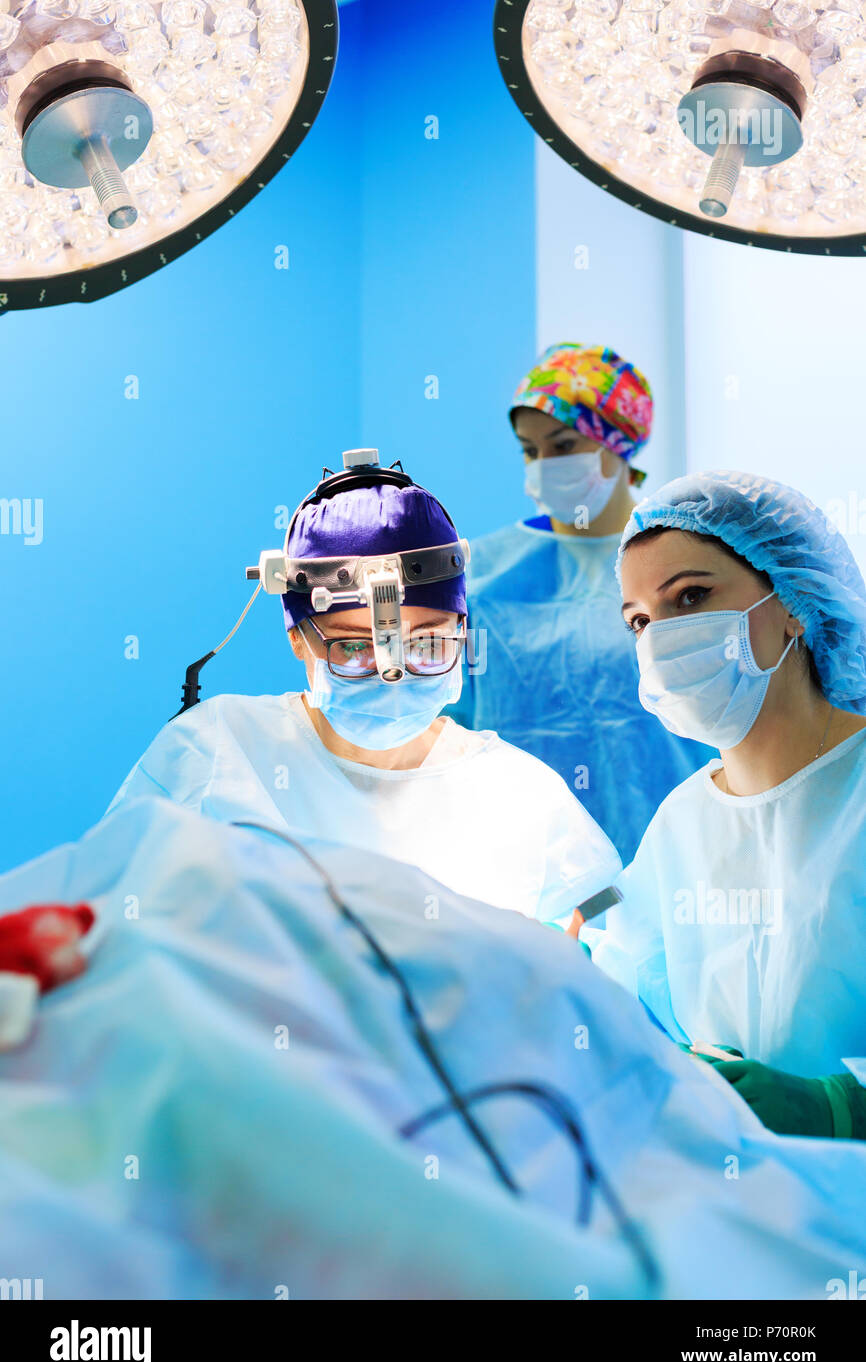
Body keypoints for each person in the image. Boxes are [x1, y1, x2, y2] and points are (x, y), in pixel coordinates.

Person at [107, 452, 621, 924]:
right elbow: (103, 922)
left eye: (427, 644)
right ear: (297, 640)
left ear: (463, 630)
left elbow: (606, 964)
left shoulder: (519, 794)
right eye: (353, 649)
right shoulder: (220, 750)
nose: (391, 677)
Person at [591, 469, 866, 1140]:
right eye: (639, 621)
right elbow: (628, 996)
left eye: (690, 596)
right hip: (747, 1206)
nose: (658, 638)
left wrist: (838, 1104)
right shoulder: (682, 822)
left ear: (796, 600)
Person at [451, 341, 709, 863]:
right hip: (523, 861)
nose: (544, 464)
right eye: (530, 450)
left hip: (679, 854)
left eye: (564, 445)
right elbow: (450, 730)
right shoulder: (486, 573)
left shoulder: (688, 564)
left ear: (618, 445)